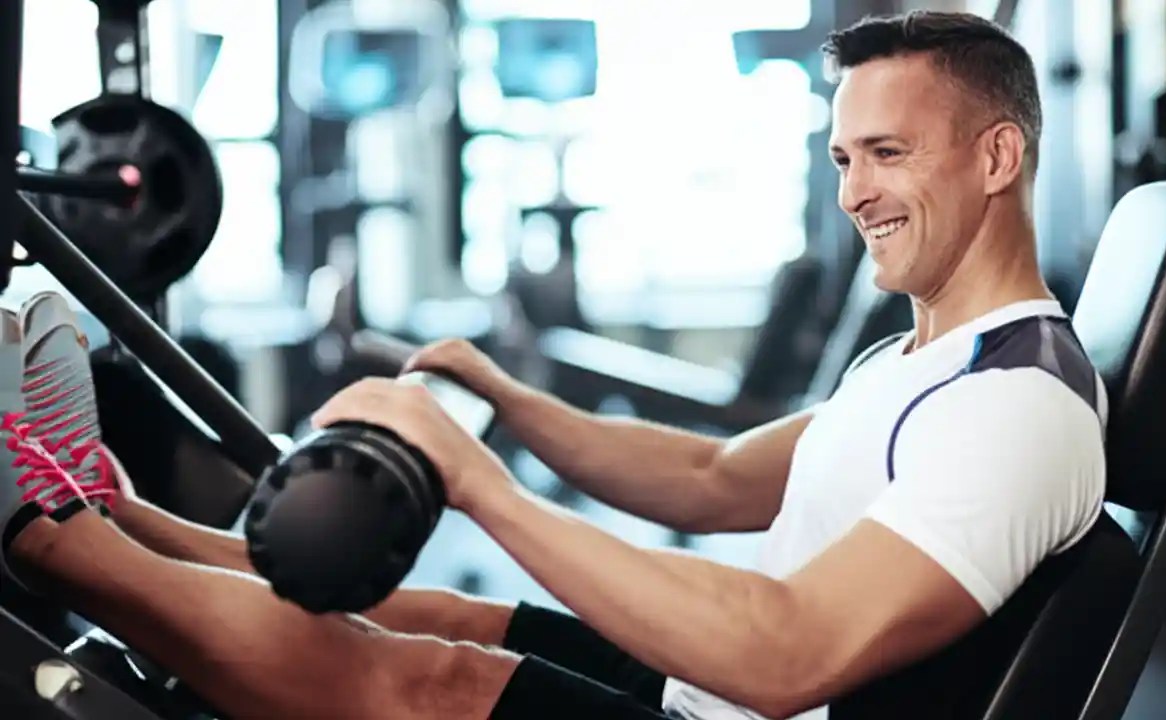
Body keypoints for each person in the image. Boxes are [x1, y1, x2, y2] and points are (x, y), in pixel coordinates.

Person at [0, 11, 1106, 720]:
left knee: (436, 681)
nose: (855, 192)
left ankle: (47, 544)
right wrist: (507, 401)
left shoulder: (1014, 409)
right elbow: (712, 479)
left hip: (757, 706)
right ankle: (118, 516)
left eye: (888, 154)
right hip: (707, 697)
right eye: (842, 157)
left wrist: (480, 485)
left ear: (997, 156)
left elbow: (790, 653)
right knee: (444, 616)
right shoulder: (920, 359)